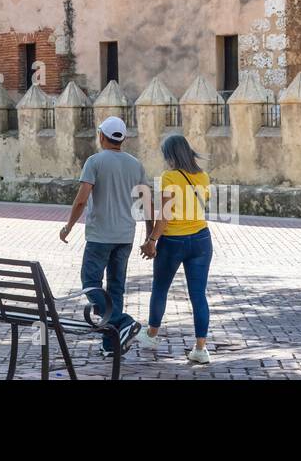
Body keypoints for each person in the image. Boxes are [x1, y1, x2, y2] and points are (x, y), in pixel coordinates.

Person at [59, 115, 149, 354]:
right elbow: (147, 204)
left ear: (101, 136)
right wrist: (150, 238)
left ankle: (122, 322)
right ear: (123, 139)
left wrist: (68, 226)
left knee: (90, 285)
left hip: (100, 236)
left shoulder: (94, 161)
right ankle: (111, 345)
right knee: (116, 288)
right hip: (125, 235)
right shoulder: (136, 165)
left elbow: (81, 199)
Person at [136, 134, 214, 364]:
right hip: (201, 239)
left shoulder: (169, 177)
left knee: (160, 288)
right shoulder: (203, 176)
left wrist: (151, 240)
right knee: (198, 295)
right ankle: (201, 349)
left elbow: (166, 214)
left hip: (173, 241)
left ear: (170, 155)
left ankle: (151, 335)